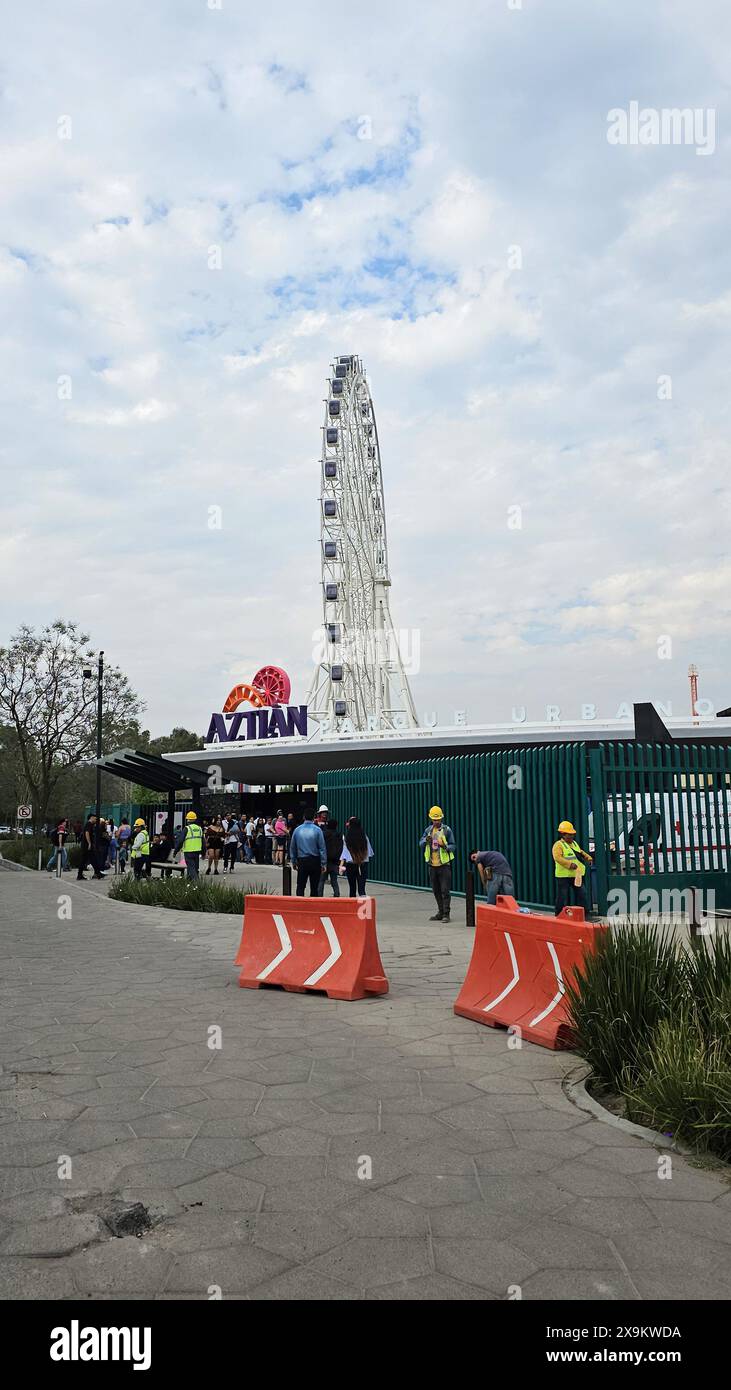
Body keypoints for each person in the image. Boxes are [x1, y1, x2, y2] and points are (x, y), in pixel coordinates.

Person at [419, 805, 456, 922]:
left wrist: (444, 846)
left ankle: (446, 914)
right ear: (431, 819)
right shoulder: (428, 830)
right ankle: (440, 912)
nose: (436, 822)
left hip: (444, 865)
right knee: (436, 890)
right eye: (435, 820)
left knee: (445, 890)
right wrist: (426, 840)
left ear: (441, 819)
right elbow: (420, 843)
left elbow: (453, 846)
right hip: (432, 865)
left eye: (438, 819)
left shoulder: (446, 830)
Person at [553, 819, 592, 915]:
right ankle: (558, 914)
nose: (571, 836)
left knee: (582, 894)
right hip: (563, 876)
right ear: (562, 834)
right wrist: (570, 865)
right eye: (569, 834)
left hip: (576, 875)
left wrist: (588, 857)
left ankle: (585, 914)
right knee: (562, 896)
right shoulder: (558, 845)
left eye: (572, 834)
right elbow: (557, 858)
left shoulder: (574, 843)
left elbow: (580, 852)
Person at [289, 807, 326, 896]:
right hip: (315, 861)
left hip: (302, 861)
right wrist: (323, 863)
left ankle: (300, 905)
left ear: (303, 817)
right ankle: (312, 907)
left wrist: (293, 861)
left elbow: (293, 847)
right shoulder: (317, 830)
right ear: (314, 817)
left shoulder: (297, 830)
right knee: (314, 887)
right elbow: (322, 848)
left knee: (300, 886)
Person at [340, 817, 373, 897]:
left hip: (351, 864)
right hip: (362, 863)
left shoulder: (348, 837)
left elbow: (345, 853)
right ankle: (364, 907)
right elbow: (369, 852)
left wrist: (341, 864)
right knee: (362, 889)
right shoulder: (364, 837)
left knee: (352, 888)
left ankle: (353, 905)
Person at [174, 810, 203, 879]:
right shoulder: (199, 828)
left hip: (188, 851)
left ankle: (196, 882)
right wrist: (204, 852)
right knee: (195, 868)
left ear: (187, 820)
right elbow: (203, 841)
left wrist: (176, 851)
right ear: (195, 819)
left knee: (191, 868)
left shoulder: (186, 829)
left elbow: (180, 841)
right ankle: (189, 882)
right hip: (197, 851)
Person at [319, 817, 343, 897]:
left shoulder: (324, 834)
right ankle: (337, 895)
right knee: (334, 881)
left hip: (325, 861)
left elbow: (321, 846)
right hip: (335, 861)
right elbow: (341, 847)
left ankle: (319, 896)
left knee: (321, 880)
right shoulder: (339, 835)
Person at [77, 815, 104, 880]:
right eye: (95, 819)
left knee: (92, 859)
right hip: (86, 845)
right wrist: (89, 843)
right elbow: (87, 833)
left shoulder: (89, 824)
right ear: (91, 818)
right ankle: (80, 875)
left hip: (87, 845)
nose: (95, 820)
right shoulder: (88, 824)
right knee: (84, 860)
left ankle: (98, 873)